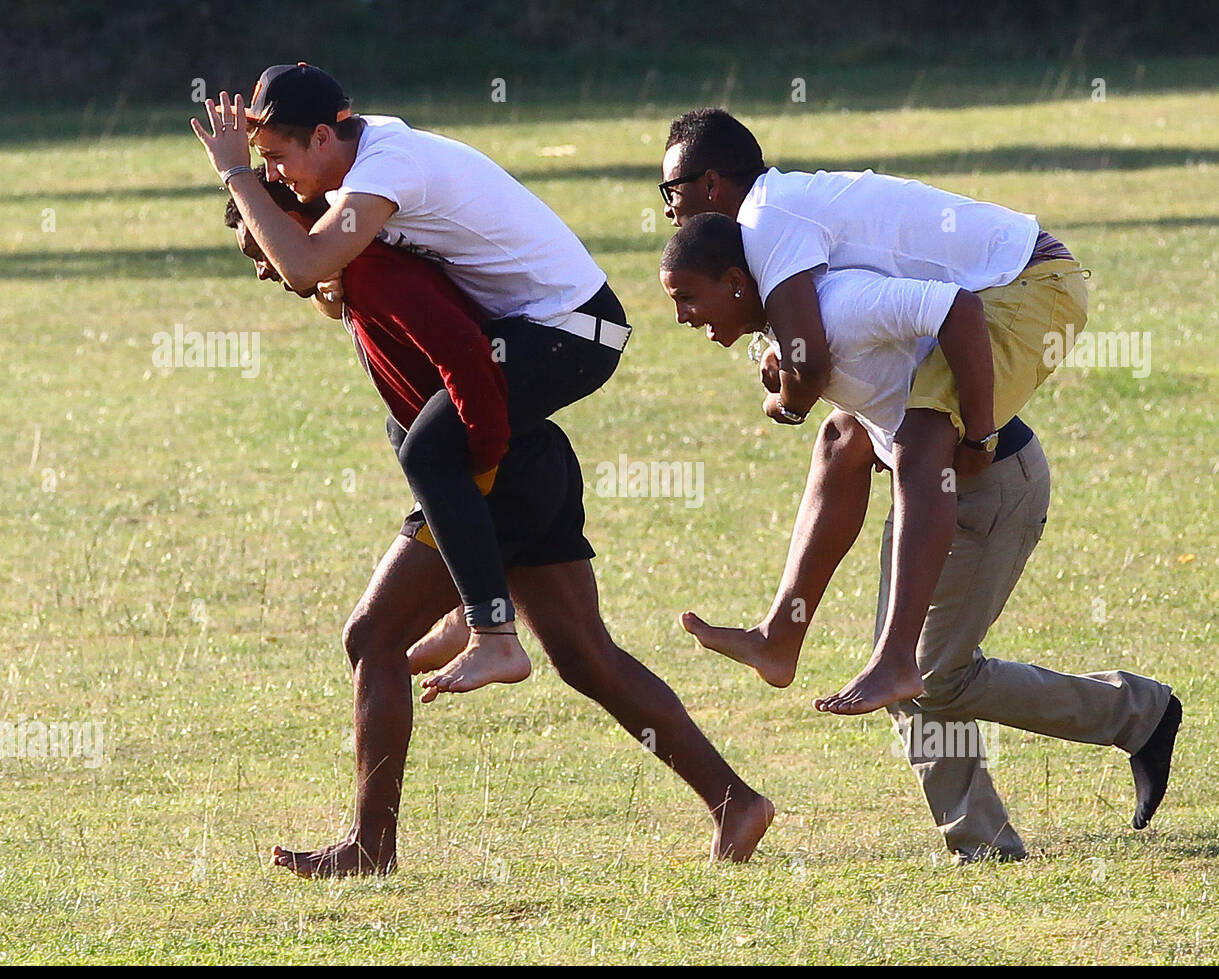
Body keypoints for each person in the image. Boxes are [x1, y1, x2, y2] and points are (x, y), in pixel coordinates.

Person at [223, 174, 774, 875]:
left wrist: (475, 502)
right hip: (528, 463)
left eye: (263, 245)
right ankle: (736, 803)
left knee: (373, 636)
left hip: (500, 473)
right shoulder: (361, 278)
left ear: (306, 225)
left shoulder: (379, 271)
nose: (266, 266)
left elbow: (470, 366)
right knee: (586, 658)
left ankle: (369, 846)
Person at [657, 203, 1181, 861]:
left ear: (737, 279)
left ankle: (1136, 714)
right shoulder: (790, 330)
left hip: (990, 489)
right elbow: (849, 430)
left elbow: (959, 308)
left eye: (687, 298)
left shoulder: (839, 303)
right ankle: (984, 844)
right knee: (912, 678)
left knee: (927, 676)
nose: (682, 317)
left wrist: (981, 432)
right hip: (929, 499)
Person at [193, 63, 632, 696]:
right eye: (261, 164)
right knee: (410, 434)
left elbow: (302, 266)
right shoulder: (362, 163)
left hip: (573, 331)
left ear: (323, 137)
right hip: (532, 329)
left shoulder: (385, 167)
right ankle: (467, 614)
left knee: (432, 449)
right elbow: (325, 284)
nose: (271, 175)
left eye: (276, 157)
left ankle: (494, 637)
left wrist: (233, 173)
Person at [660, 107, 1089, 718]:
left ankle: (895, 661)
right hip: (999, 286)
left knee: (921, 434)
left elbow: (811, 360)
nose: (669, 209)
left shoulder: (764, 215)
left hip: (1028, 281)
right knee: (843, 437)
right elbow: (811, 339)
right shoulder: (773, 221)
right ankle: (780, 636)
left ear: (710, 185)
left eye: (671, 191)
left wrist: (980, 434)